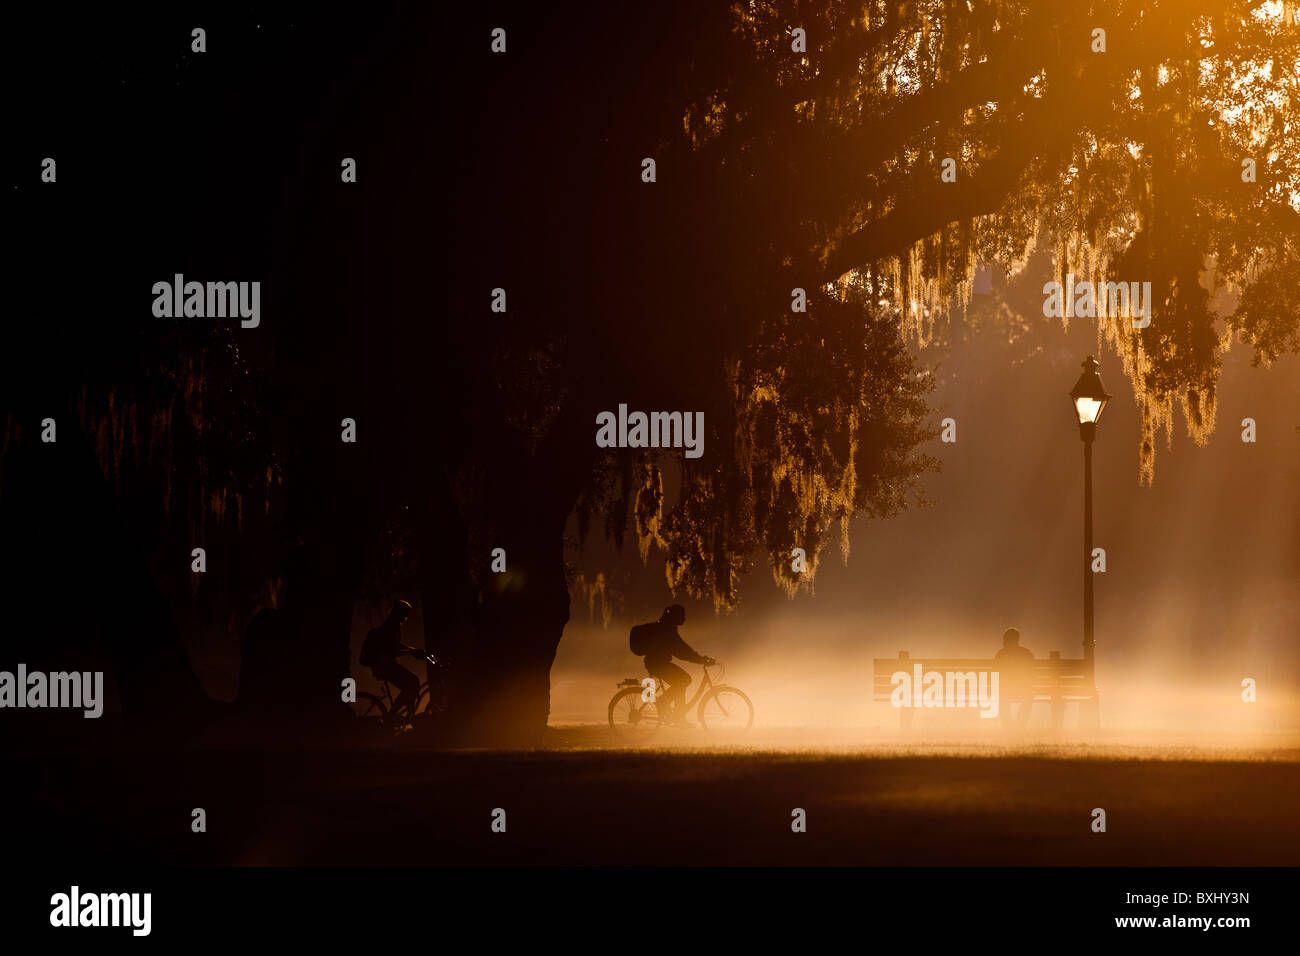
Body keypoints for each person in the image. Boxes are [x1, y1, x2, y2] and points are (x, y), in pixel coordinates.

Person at [637, 604, 714, 727]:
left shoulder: (667, 627)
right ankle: (666, 706)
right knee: (684, 680)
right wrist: (699, 659)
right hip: (657, 664)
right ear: (675, 617)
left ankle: (678, 716)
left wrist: (698, 658)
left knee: (681, 681)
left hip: (657, 663)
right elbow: (680, 650)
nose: (684, 619)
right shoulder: (667, 629)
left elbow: (681, 648)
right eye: (682, 616)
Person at [360, 600, 420, 726]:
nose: (406, 617)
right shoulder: (392, 626)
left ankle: (405, 714)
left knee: (411, 683)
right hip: (384, 666)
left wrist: (412, 650)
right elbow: (393, 650)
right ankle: (394, 714)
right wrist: (411, 653)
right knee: (413, 682)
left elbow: (395, 645)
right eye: (405, 614)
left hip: (385, 665)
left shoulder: (392, 625)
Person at [994, 627, 1035, 729]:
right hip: (1024, 690)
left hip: (1005, 691)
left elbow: (995, 673)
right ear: (1018, 639)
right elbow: (1033, 674)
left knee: (1001, 698)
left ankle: (1008, 726)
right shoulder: (1027, 653)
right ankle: (1020, 725)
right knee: (1029, 698)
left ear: (1005, 639)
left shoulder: (1001, 654)